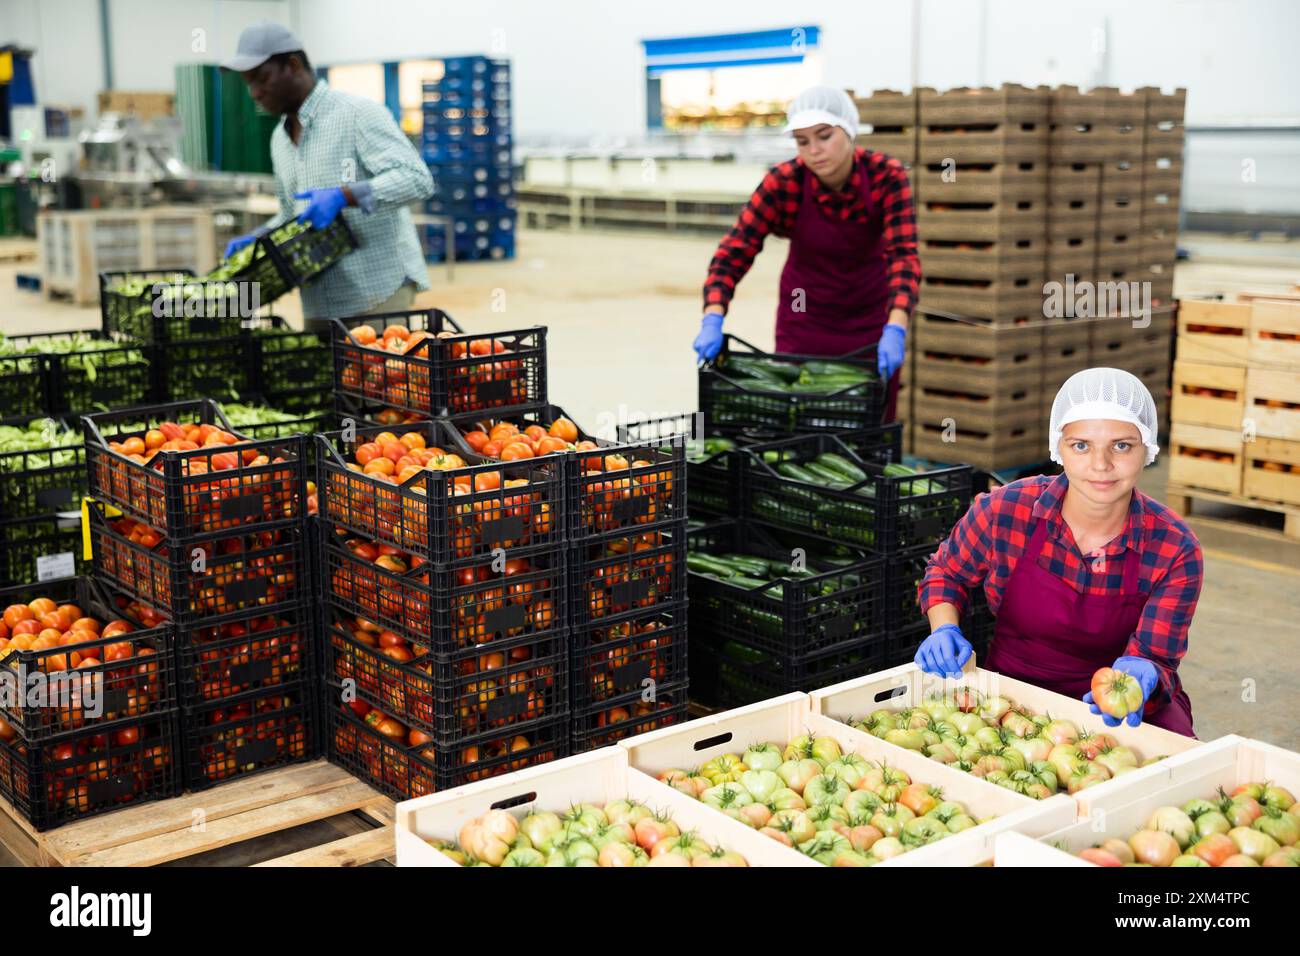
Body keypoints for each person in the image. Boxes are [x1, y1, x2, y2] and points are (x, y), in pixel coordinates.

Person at [914, 368, 1201, 737]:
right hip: (1013, 695)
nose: (1101, 464)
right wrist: (944, 627)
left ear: (1148, 449)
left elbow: (1155, 655)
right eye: (1081, 445)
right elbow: (946, 572)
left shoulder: (1174, 548)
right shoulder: (1007, 510)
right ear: (1058, 447)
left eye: (1122, 445)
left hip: (1118, 707)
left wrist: (1143, 673)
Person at [692, 86, 920, 421]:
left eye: (824, 136)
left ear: (849, 129)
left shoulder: (886, 176)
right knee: (798, 424)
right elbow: (735, 249)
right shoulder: (784, 182)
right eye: (802, 141)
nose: (814, 151)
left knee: (869, 429)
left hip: (869, 327)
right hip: (804, 321)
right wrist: (713, 315)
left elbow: (904, 256)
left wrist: (896, 327)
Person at [222, 22, 434, 330]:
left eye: (262, 78)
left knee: (372, 378)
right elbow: (291, 214)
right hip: (319, 298)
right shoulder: (279, 139)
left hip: (377, 292)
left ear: (293, 64)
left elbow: (416, 178)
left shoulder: (357, 114)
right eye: (248, 83)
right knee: (326, 379)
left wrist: (344, 195)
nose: (255, 93)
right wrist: (258, 239)